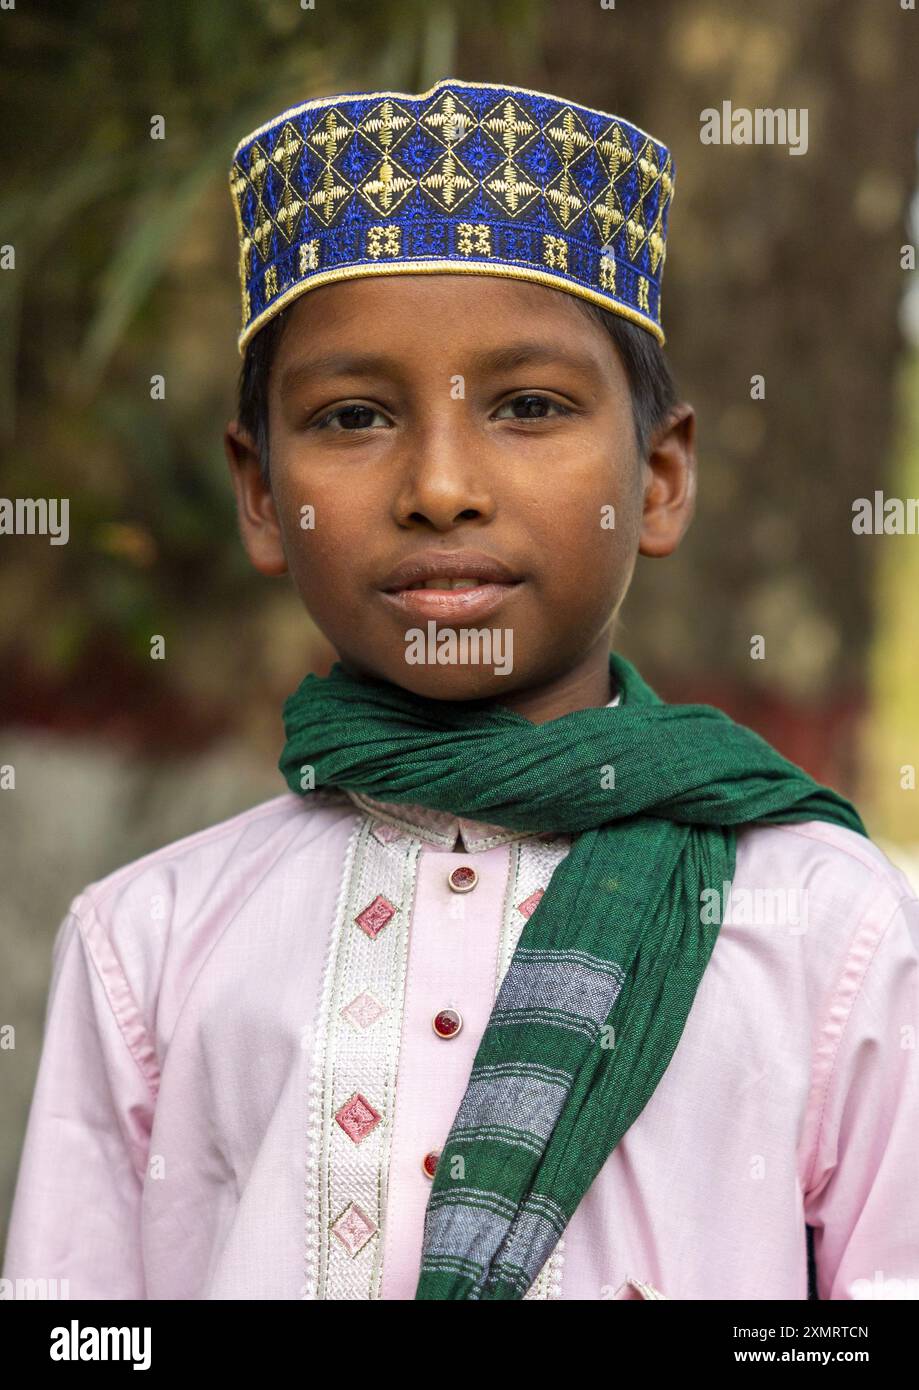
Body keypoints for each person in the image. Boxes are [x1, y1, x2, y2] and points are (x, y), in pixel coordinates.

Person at [4, 78, 918, 1302]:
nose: (440, 484)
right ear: (263, 494)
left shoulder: (829, 925)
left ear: (655, 478)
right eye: (354, 414)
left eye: (528, 407)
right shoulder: (149, 942)